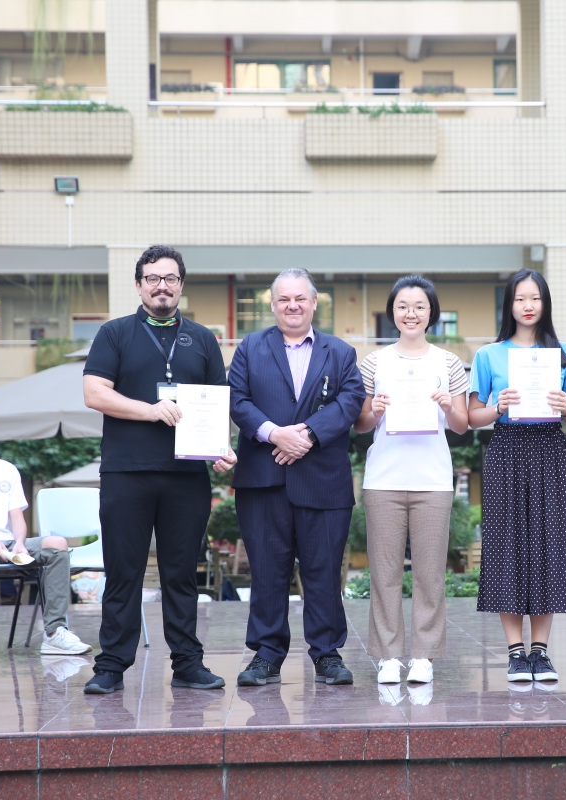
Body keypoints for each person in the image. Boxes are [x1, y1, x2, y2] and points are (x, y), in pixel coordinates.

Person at [82, 245, 237, 694]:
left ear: (181, 286)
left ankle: (188, 663)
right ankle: (111, 666)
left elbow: (214, 406)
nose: (162, 286)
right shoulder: (114, 334)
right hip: (126, 473)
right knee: (123, 571)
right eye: (153, 278)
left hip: (186, 476)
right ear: (139, 285)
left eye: (170, 278)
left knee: (182, 573)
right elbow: (95, 393)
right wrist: (151, 411)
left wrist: (220, 449)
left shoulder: (203, 339)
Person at [229, 268, 365, 687]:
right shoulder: (250, 348)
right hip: (262, 481)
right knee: (267, 571)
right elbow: (236, 398)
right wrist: (275, 433)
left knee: (323, 570)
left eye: (300, 299)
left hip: (323, 479)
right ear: (272, 305)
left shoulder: (339, 352)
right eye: (284, 299)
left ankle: (327, 654)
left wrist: (307, 433)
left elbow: (352, 399)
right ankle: (266, 655)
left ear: (313, 303)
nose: (292, 305)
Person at [468, 269, 566, 683]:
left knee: (549, 545)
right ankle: (515, 652)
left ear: (545, 303)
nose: (528, 305)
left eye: (535, 298)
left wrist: (565, 407)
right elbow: (472, 417)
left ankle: (542, 652)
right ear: (509, 305)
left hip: (551, 449)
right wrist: (497, 406)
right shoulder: (488, 355)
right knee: (506, 545)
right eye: (520, 299)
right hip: (506, 449)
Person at [354, 275, 469, 686]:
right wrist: (377, 410)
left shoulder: (448, 362)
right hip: (383, 479)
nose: (411, 313)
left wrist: (447, 404)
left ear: (431, 313)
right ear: (393, 313)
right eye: (403, 306)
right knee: (383, 571)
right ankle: (387, 655)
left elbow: (461, 426)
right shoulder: (374, 362)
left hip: (433, 480)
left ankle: (424, 655)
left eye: (419, 306)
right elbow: (361, 423)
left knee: (430, 572)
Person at [0, 403, 92, 662]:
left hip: (7, 543)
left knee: (57, 543)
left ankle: (55, 632)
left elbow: (17, 518)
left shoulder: (6, 469)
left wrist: (19, 543)